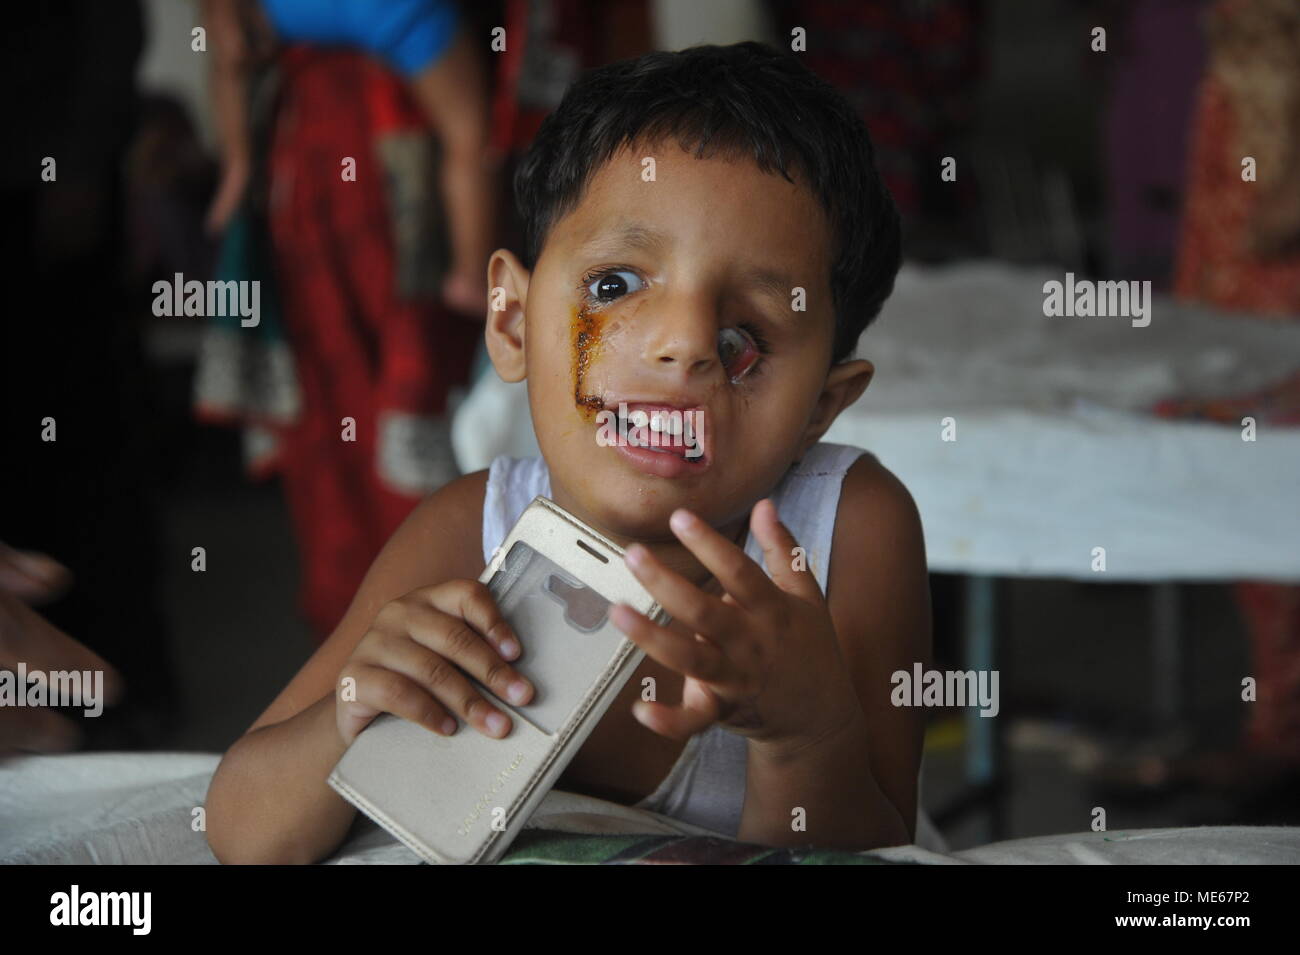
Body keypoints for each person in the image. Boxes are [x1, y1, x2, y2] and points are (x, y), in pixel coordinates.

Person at [205, 41, 931, 863]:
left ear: (821, 407)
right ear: (511, 322)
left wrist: (804, 733)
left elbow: (871, 855)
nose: (684, 345)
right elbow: (241, 832)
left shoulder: (846, 535)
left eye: (744, 336)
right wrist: (348, 711)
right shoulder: (465, 535)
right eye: (615, 286)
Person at [202, 0, 494, 640]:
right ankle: (413, 606)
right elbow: (473, 138)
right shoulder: (407, 16)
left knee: (345, 408)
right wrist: (475, 273)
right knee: (395, 395)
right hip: (389, 193)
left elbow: (226, 50)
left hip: (307, 177)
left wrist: (240, 167)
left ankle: (364, 615)